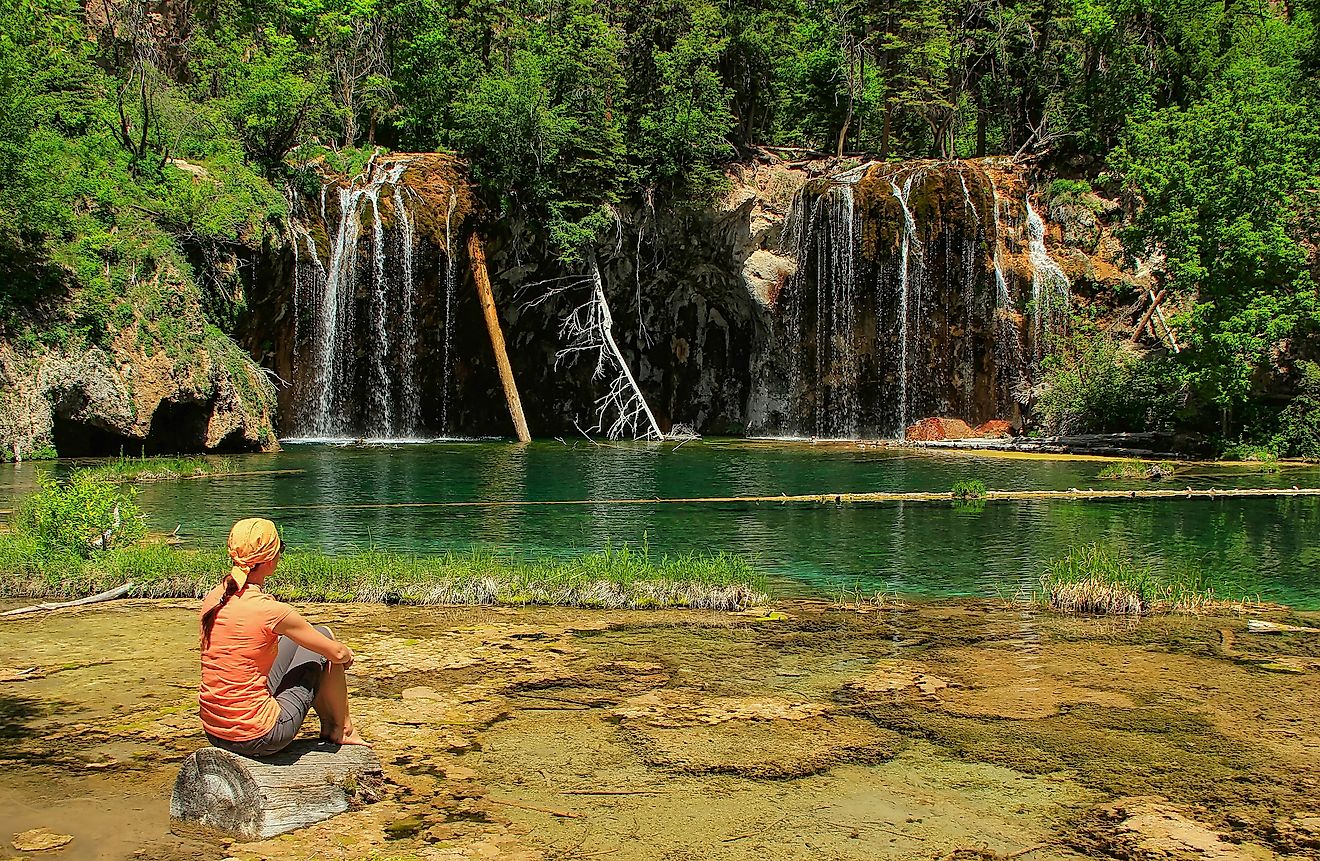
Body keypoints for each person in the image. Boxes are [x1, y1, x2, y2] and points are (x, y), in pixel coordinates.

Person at [198, 517, 367, 756]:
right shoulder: (270, 610)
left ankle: (338, 728)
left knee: (314, 637)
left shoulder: (215, 597)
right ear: (268, 561)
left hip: (215, 731)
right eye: (281, 549)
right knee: (325, 640)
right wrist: (347, 654)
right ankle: (341, 729)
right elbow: (337, 653)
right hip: (261, 736)